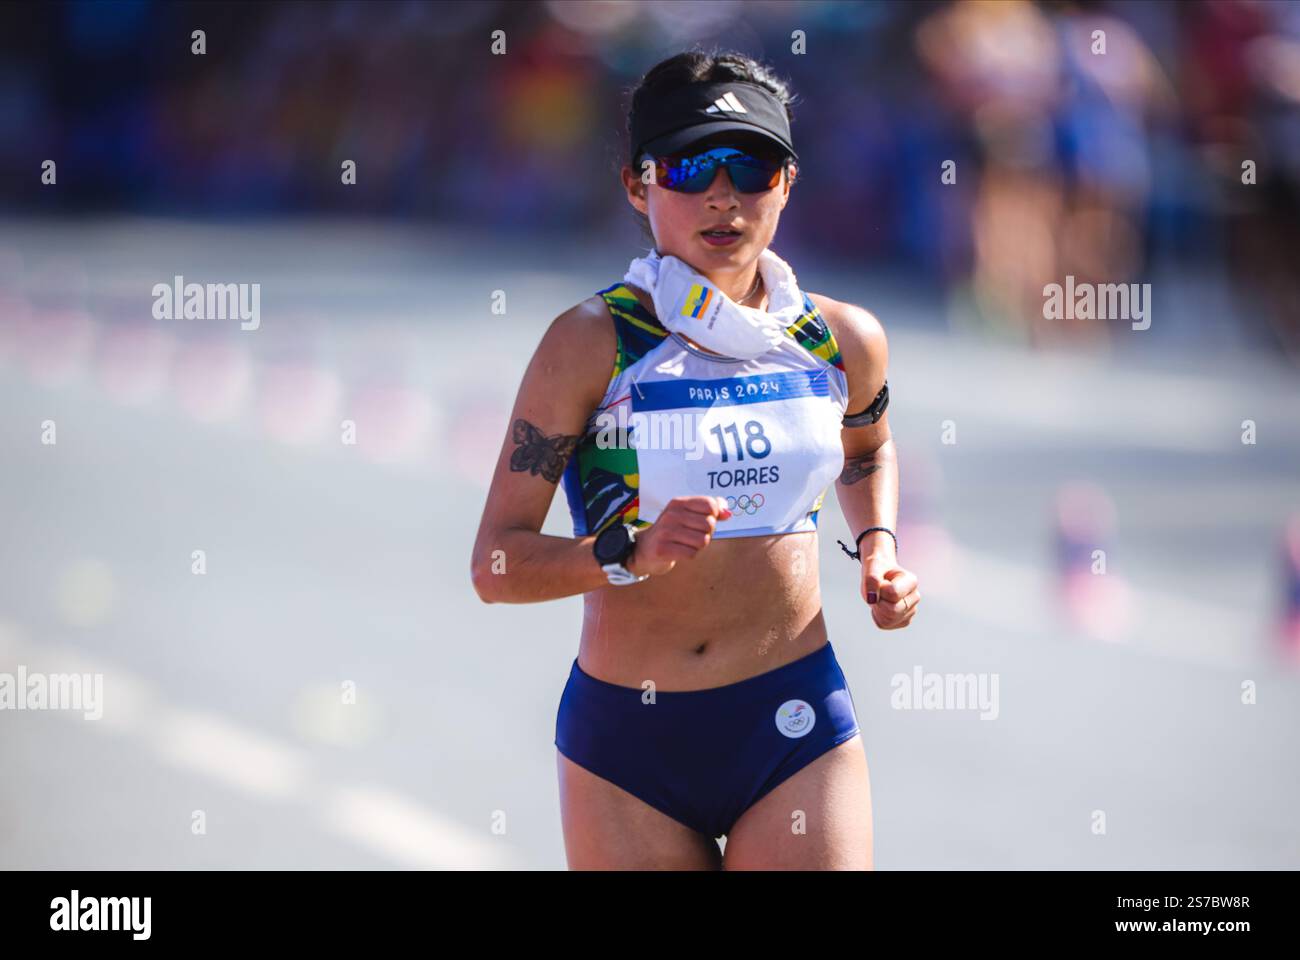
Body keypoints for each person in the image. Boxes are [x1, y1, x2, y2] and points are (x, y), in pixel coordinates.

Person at [471, 50, 920, 870]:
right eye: (687, 167)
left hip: (794, 719)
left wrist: (880, 547)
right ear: (637, 187)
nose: (722, 195)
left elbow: (868, 449)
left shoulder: (841, 339)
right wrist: (624, 555)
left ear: (787, 182)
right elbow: (497, 564)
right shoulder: (591, 342)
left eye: (749, 167)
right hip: (629, 747)